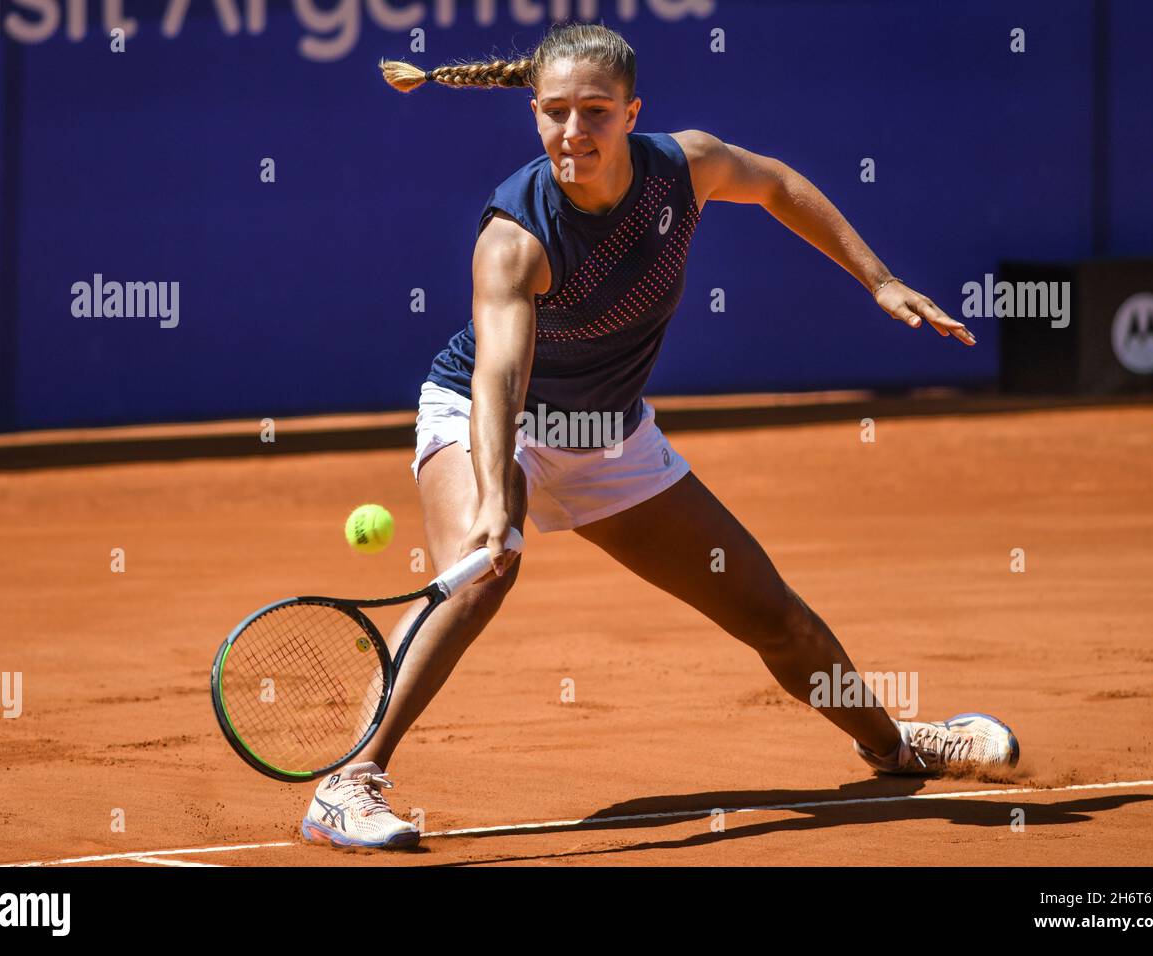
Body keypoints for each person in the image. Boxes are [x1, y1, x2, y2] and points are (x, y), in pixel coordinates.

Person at [300, 21, 1018, 851]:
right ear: (533, 114)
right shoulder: (513, 238)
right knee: (477, 571)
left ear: (633, 112)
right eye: (556, 113)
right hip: (484, 415)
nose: (574, 134)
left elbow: (779, 184)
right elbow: (500, 376)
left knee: (769, 612)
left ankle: (893, 747)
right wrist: (499, 498)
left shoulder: (687, 166)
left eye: (596, 112)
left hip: (609, 435)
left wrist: (879, 280)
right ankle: (347, 783)